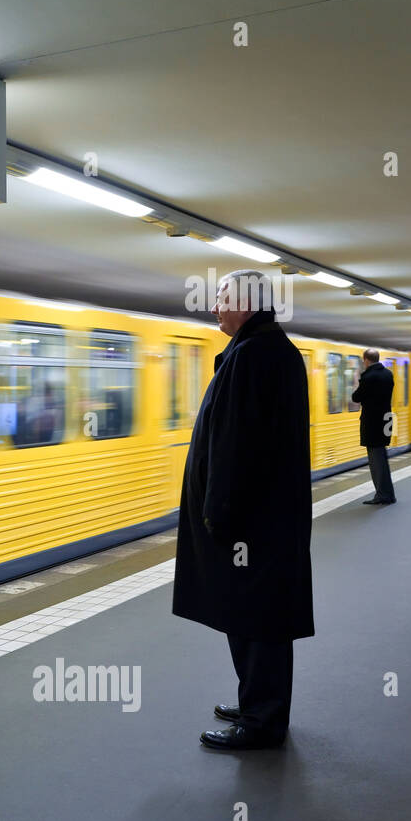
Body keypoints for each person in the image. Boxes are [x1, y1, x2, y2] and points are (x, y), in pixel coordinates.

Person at [172, 270, 314, 750]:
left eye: (221, 297)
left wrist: (220, 511)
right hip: (261, 518)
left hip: (251, 522)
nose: (213, 305)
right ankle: (258, 702)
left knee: (258, 618)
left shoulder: (255, 356)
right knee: (251, 614)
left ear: (247, 302)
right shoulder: (265, 351)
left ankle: (262, 720)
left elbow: (238, 443)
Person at [350, 349, 396, 505]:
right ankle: (387, 493)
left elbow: (356, 397)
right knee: (381, 458)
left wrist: (357, 379)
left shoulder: (369, 376)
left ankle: (383, 495)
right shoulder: (388, 374)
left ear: (366, 360)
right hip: (386, 420)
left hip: (372, 423)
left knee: (376, 460)